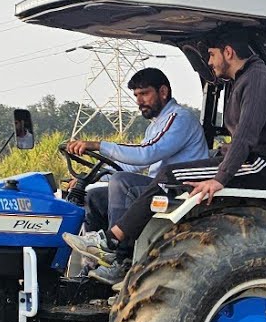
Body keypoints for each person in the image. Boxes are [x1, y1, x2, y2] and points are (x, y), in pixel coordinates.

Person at [64, 28, 266, 285]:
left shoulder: (257, 80)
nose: (209, 62)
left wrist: (220, 179)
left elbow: (245, 136)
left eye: (211, 55)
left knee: (170, 174)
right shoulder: (242, 80)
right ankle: (95, 262)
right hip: (245, 159)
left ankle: (114, 245)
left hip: (259, 164)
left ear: (228, 52)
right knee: (100, 194)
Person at [64, 67, 207, 275]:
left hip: (179, 190)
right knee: (94, 196)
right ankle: (94, 263)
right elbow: (133, 165)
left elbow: (147, 154)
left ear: (163, 92)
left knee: (122, 183)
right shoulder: (155, 126)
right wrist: (90, 178)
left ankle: (120, 259)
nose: (140, 101)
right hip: (157, 186)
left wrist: (98, 145)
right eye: (136, 95)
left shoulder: (179, 118)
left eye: (145, 94)